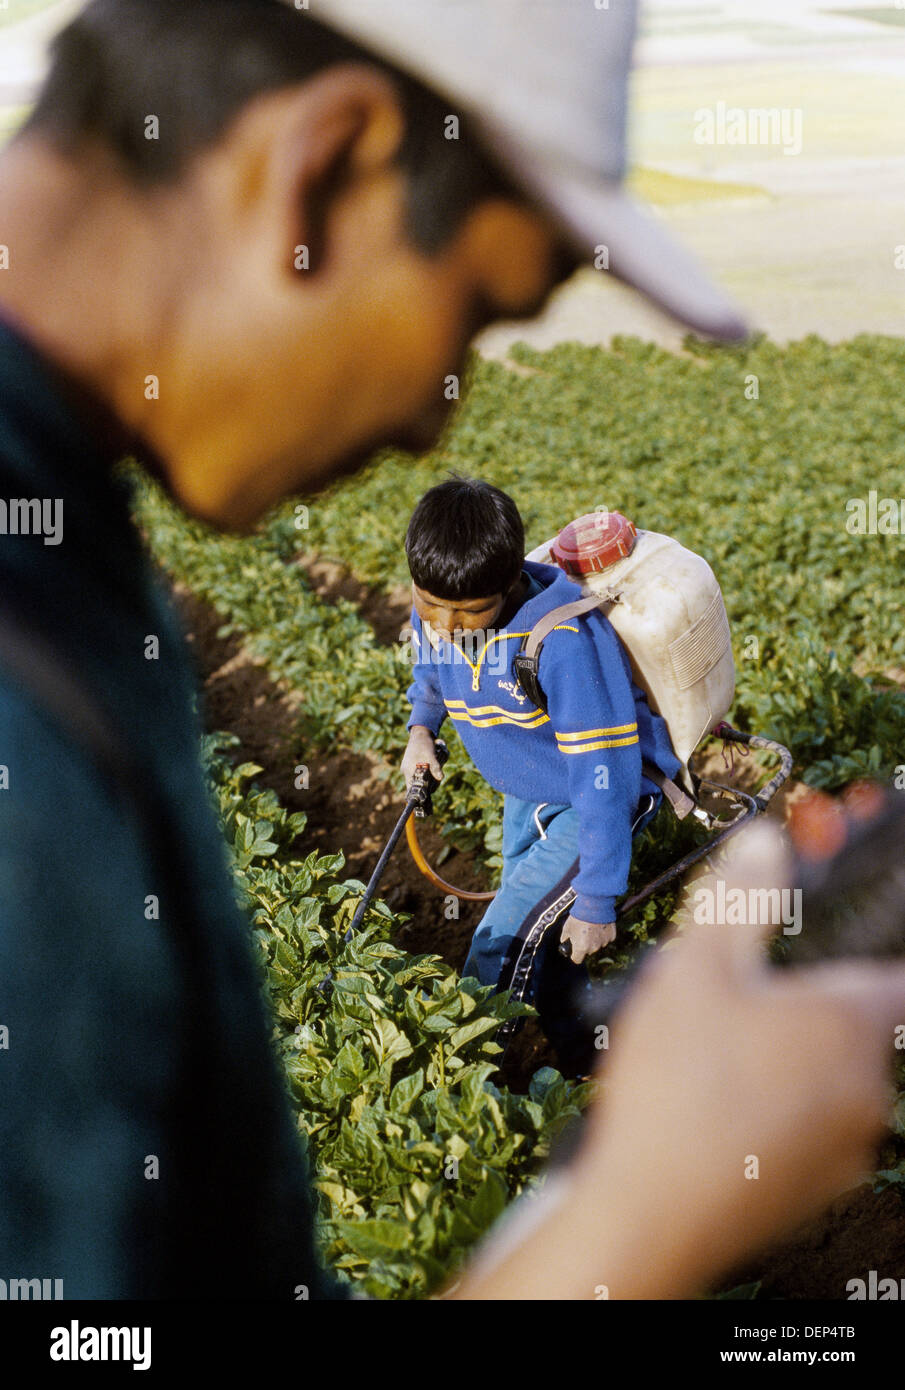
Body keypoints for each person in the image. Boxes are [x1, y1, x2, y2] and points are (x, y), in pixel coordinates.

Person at [0, 0, 901, 1302]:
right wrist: (641, 1217)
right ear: (323, 167)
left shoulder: (68, 539)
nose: (435, 433)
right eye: (478, 311)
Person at [401, 476, 681, 1074]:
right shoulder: (443, 606)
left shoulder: (562, 641)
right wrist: (421, 730)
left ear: (508, 584)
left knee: (499, 944)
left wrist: (599, 897)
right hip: (528, 794)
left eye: (470, 612)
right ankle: (584, 1065)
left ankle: (469, 1098)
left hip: (599, 798)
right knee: (545, 941)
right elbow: (430, 666)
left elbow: (604, 771)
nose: (448, 625)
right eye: (431, 606)